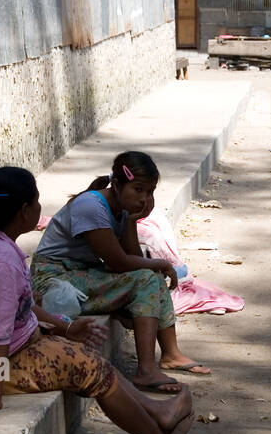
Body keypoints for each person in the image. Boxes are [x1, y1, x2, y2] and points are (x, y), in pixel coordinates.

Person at [0, 167, 193, 434]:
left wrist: (65, 327)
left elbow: (19, 307)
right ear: (24, 211)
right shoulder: (0, 264)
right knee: (88, 369)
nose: (38, 208)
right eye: (36, 202)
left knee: (87, 355)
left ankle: (158, 412)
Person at [30, 151, 210, 393]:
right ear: (116, 185)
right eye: (138, 190)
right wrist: (161, 264)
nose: (144, 198)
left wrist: (132, 221)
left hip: (82, 273)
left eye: (150, 192)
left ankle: (171, 354)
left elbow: (131, 256)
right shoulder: (91, 206)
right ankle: (146, 370)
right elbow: (119, 262)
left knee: (150, 276)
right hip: (53, 278)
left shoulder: (122, 209)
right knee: (147, 276)